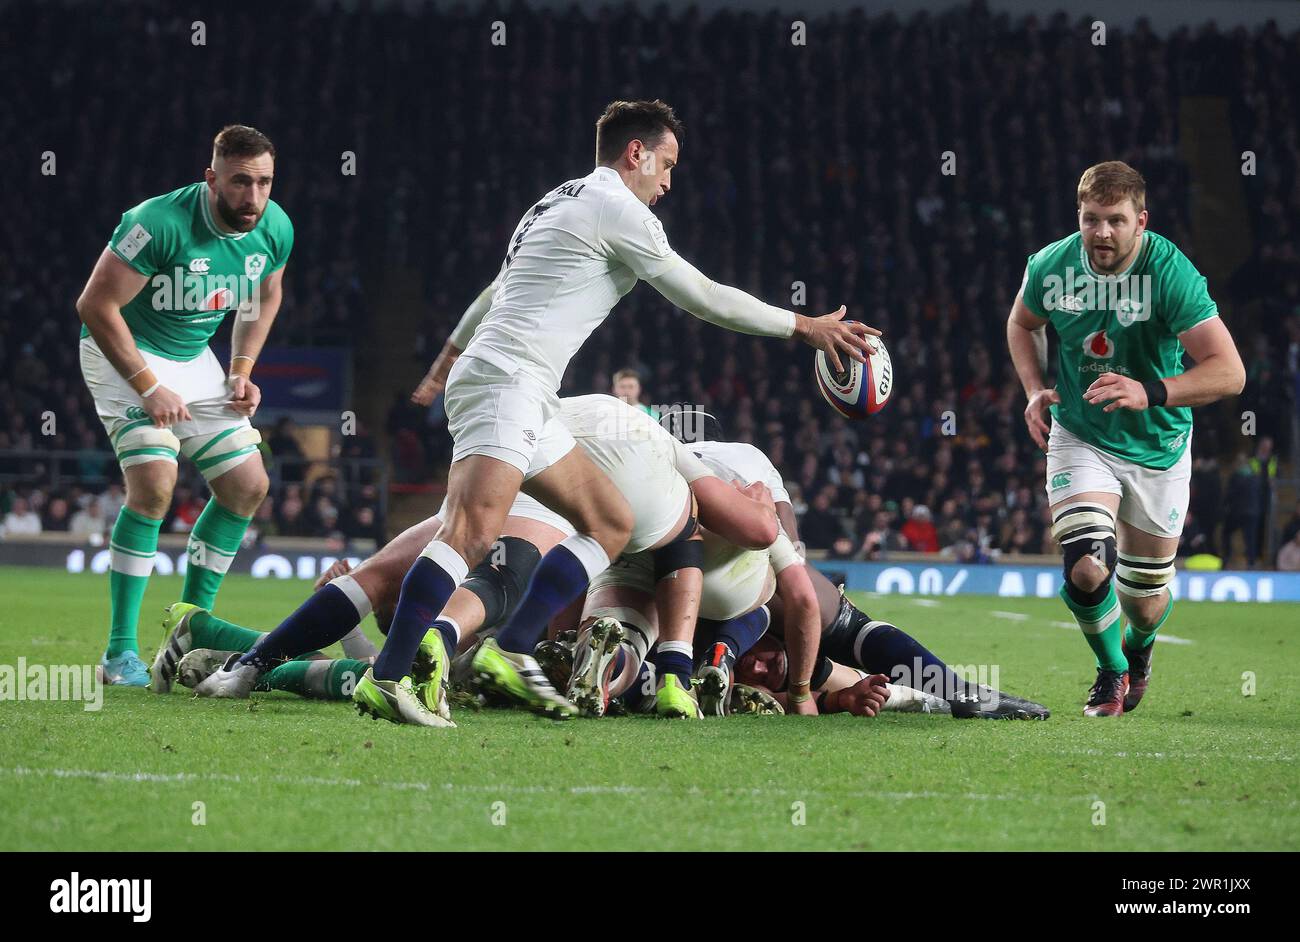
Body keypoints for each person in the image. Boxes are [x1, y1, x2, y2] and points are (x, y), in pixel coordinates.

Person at [364, 99, 877, 723]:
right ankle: (387, 676)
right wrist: (802, 326)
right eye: (667, 165)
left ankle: (512, 650)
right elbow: (704, 296)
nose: (668, 182)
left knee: (610, 520)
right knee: (470, 533)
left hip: (522, 389)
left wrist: (448, 357)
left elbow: (494, 292)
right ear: (636, 153)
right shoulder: (616, 207)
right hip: (507, 382)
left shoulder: (553, 202)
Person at [1007, 161, 1245, 717]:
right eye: (1091, 220)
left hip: (1158, 446)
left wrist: (1150, 391)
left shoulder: (1170, 273)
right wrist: (1035, 387)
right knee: (1088, 567)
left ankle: (1138, 650)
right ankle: (1110, 670)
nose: (1102, 233)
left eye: (1116, 220)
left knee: (1144, 605)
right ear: (1080, 216)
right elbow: (1022, 323)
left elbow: (1230, 372)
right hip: (1081, 435)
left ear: (1142, 220)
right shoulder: (1050, 265)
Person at [74, 125, 292, 686]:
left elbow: (266, 297)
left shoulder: (274, 227)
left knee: (248, 485)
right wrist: (148, 385)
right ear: (211, 177)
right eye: (241, 182)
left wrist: (241, 371)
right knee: (154, 485)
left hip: (195, 358)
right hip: (125, 351)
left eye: (264, 182)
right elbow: (95, 305)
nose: (254, 197)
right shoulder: (157, 223)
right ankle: (120, 651)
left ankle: (190, 630)